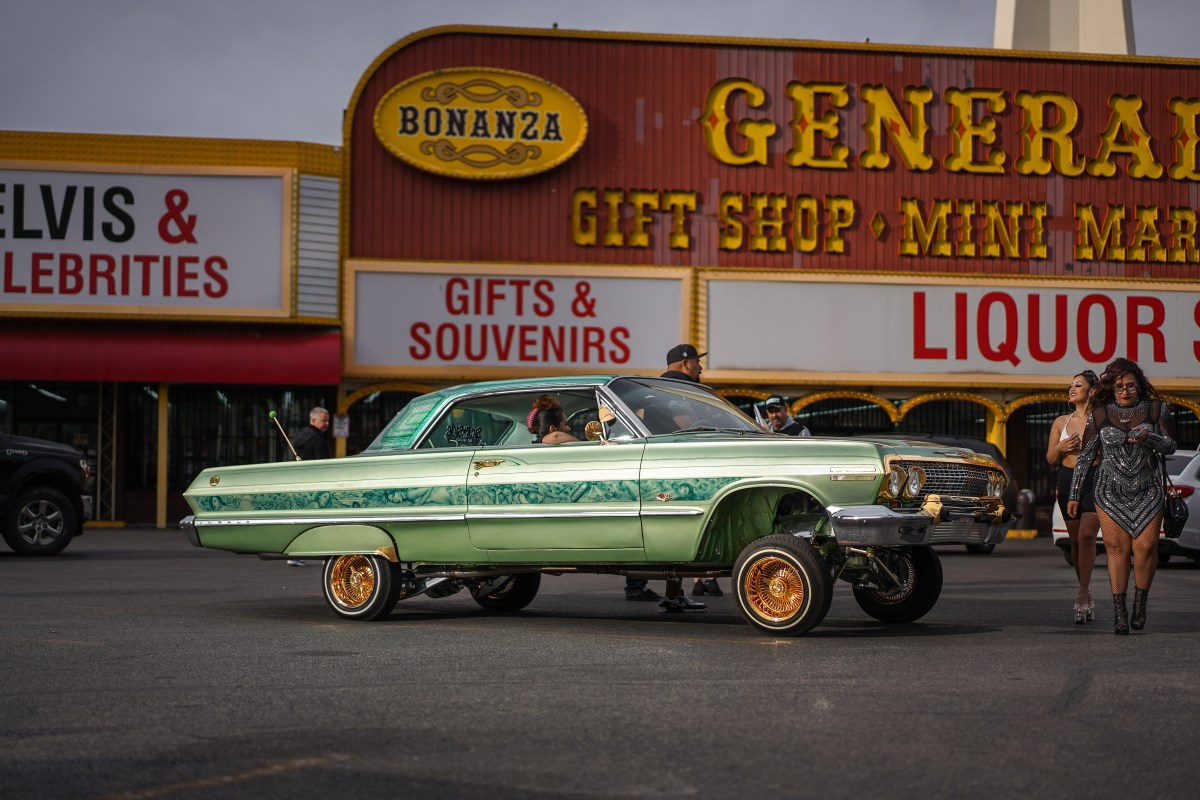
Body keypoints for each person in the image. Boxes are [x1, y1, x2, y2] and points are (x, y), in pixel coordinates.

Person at [1068, 358, 1176, 635]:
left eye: (1130, 385)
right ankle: (1120, 612)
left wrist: (1148, 438)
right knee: (1117, 550)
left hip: (1147, 489)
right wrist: (1074, 494)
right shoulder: (1100, 414)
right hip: (1109, 490)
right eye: (1119, 386)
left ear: (1139, 385)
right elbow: (1085, 457)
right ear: (1111, 388)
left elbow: (1171, 445)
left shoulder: (1156, 409)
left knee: (1146, 548)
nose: (1125, 390)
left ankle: (1140, 604)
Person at [625, 344, 710, 610]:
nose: (700, 367)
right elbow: (690, 426)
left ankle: (647, 588)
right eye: (697, 362)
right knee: (679, 526)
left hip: (656, 463)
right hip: (677, 466)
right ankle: (672, 594)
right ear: (686, 363)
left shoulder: (652, 387)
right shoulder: (680, 387)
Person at [1046, 370, 1100, 624]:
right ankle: (1087, 589)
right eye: (1070, 385)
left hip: (1094, 480)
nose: (1071, 388)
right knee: (1075, 542)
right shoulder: (1060, 422)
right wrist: (1060, 447)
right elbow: (1050, 459)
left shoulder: (1101, 420)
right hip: (1067, 480)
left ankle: (1080, 593)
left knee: (1087, 536)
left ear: (1092, 391)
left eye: (1078, 385)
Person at [287, 406, 331, 565]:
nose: (326, 424)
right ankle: (328, 556)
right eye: (323, 421)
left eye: (327, 421)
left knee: (302, 520)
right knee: (323, 522)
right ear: (313, 420)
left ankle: (295, 555)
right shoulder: (317, 439)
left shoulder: (300, 436)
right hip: (315, 485)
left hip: (300, 483)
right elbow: (323, 465)